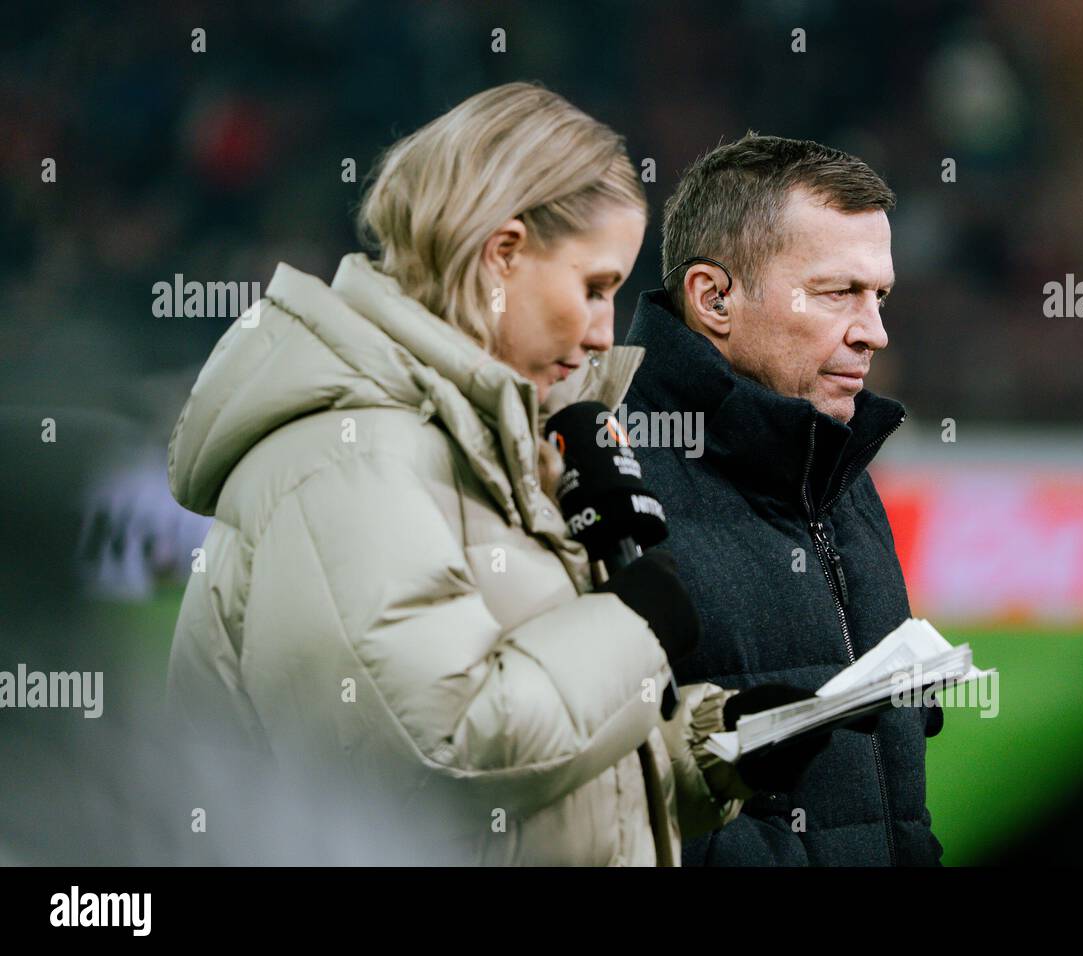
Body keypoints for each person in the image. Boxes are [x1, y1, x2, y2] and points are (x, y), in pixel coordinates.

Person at [164, 83, 819, 866]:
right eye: (594, 287)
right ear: (504, 254)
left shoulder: (486, 439)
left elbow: (525, 806)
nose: (606, 331)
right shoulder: (345, 459)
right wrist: (632, 627)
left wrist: (712, 754)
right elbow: (436, 758)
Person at [622, 133, 945, 866]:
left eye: (881, 296)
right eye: (839, 293)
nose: (875, 333)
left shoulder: (838, 469)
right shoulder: (606, 481)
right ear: (714, 298)